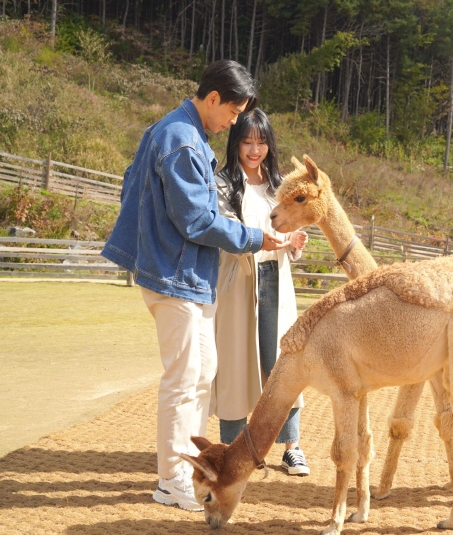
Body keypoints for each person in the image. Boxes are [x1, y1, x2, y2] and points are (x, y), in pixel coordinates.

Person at [102, 60, 287, 512]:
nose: (233, 123)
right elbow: (198, 220)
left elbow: (133, 188)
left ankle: (188, 471)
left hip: (186, 275)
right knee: (185, 382)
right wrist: (255, 237)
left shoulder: (172, 132)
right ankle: (172, 480)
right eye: (232, 112)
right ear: (212, 99)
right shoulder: (182, 140)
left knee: (201, 375)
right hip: (176, 275)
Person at [212, 108, 311, 476]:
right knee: (236, 364)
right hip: (239, 282)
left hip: (276, 280)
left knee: (283, 365)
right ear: (235, 143)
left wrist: (295, 242)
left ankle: (291, 446)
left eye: (261, 141)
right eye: (247, 142)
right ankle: (236, 449)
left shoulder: (280, 186)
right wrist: (276, 241)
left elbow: (292, 231)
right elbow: (226, 235)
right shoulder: (222, 184)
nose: (255, 150)